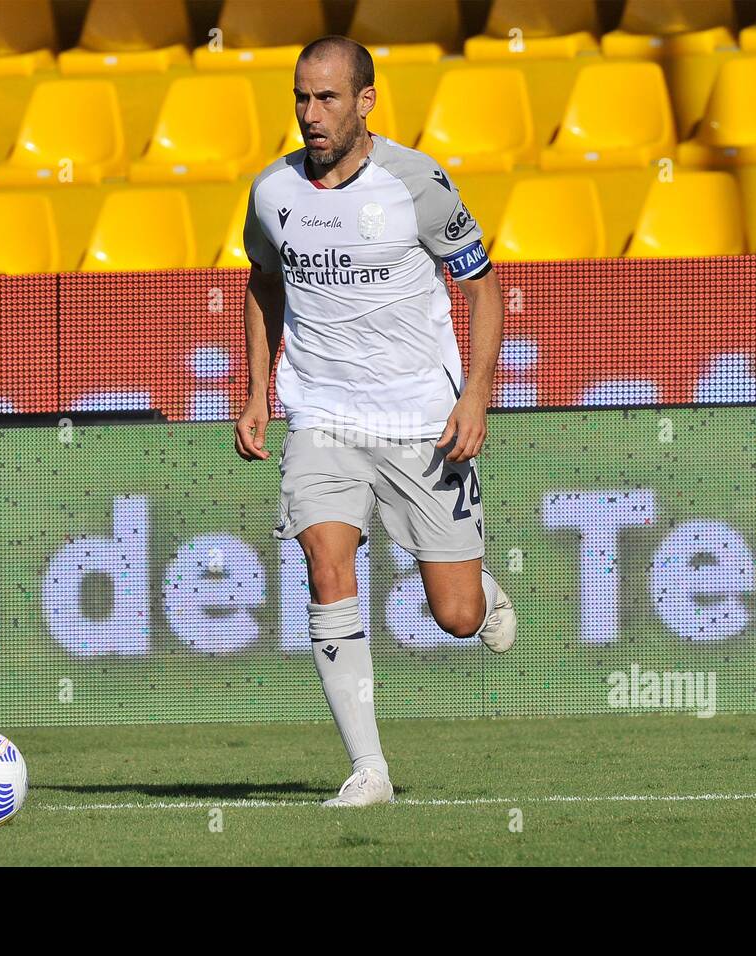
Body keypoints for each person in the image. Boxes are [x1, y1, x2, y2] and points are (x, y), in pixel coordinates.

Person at [235, 35, 516, 808]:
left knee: (455, 617)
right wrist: (257, 390)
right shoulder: (272, 193)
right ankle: (370, 772)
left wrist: (476, 394)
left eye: (326, 98)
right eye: (300, 97)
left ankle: (482, 593)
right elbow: (262, 283)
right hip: (322, 416)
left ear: (365, 102)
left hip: (421, 420)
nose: (310, 115)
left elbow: (484, 291)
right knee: (327, 566)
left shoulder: (417, 182)